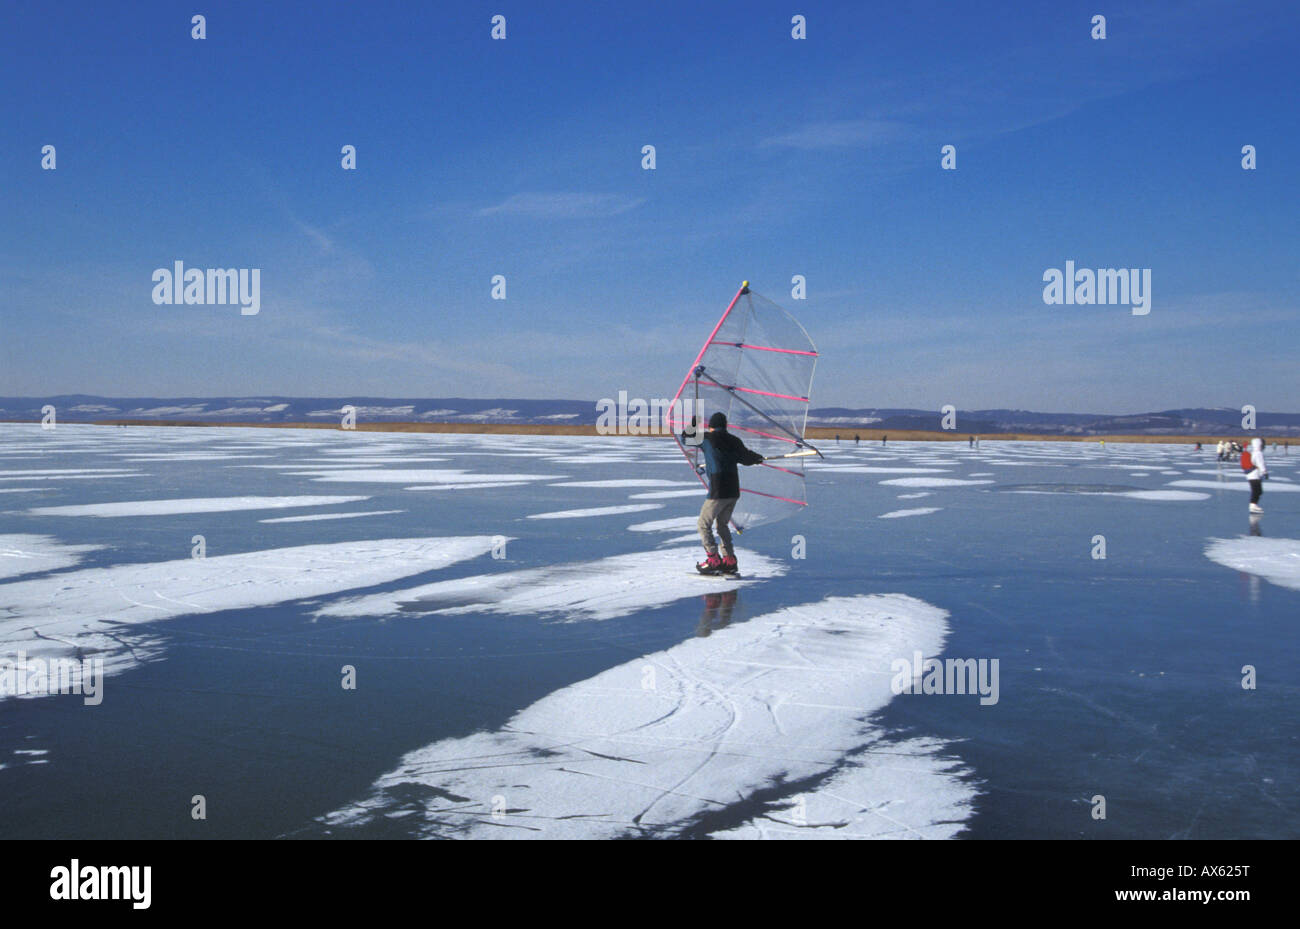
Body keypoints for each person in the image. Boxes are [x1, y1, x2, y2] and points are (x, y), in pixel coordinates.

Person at [695, 412, 764, 575]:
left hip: (718, 490)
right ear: (725, 426)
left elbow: (686, 438)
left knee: (703, 524)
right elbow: (747, 458)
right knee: (722, 525)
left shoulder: (706, 438)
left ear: (710, 426)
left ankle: (713, 559)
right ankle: (729, 560)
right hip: (733, 490)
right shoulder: (734, 440)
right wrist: (757, 457)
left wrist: (693, 424)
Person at [1243, 437, 1268, 514]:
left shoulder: (1253, 452)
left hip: (1251, 475)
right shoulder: (1258, 453)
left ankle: (1253, 505)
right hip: (1255, 475)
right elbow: (1260, 464)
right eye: (1263, 444)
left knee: (1258, 491)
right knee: (1257, 491)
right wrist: (1264, 472)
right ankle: (1253, 506)